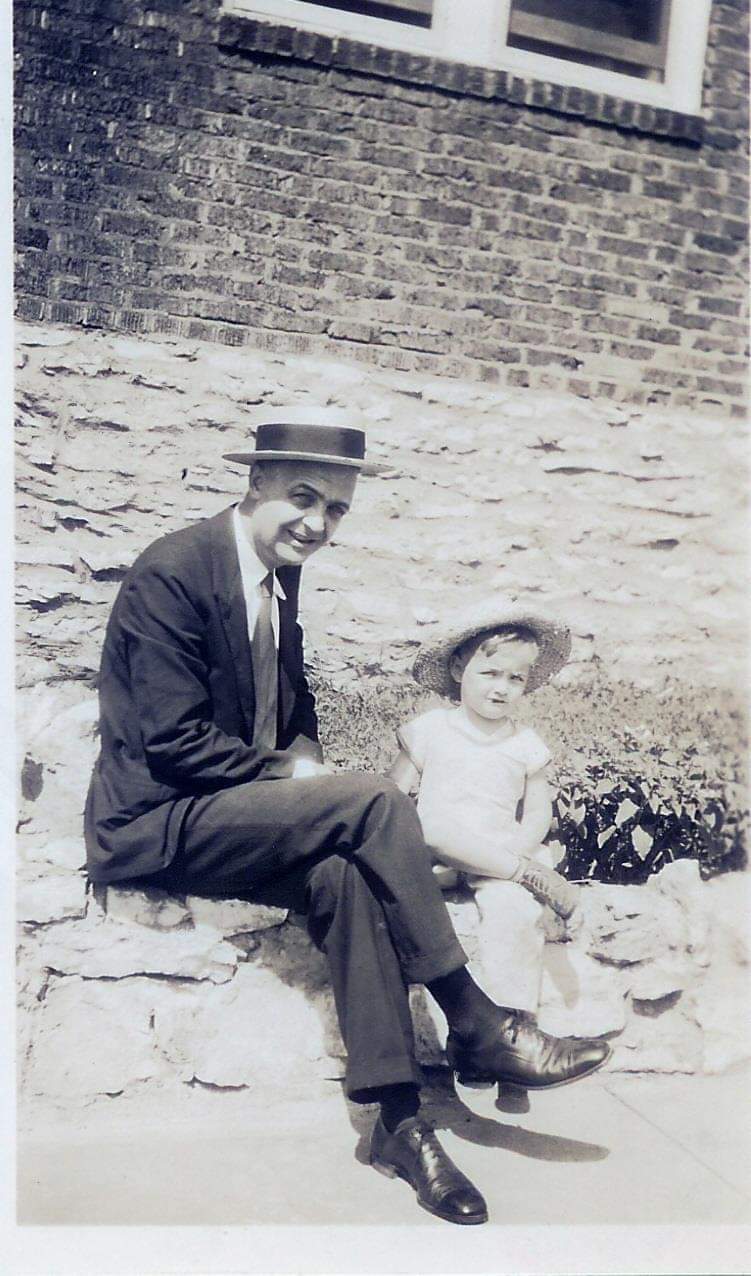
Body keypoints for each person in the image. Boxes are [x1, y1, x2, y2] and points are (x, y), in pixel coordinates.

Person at [85, 409, 610, 1227]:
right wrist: (299, 777)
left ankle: (398, 1122)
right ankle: (474, 1019)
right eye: (302, 498)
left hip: (232, 813)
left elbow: (292, 707)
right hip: (159, 820)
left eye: (335, 509)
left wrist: (302, 768)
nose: (317, 523)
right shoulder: (175, 573)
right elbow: (171, 739)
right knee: (369, 797)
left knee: (347, 872)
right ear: (255, 482)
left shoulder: (277, 575)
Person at [389, 603, 583, 1078]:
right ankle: (526, 874)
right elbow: (391, 797)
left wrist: (517, 850)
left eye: (516, 679)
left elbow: (538, 812)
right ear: (459, 670)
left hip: (498, 856)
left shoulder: (524, 743)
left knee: (514, 912)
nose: (502, 687)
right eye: (490, 673)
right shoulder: (430, 730)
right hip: (436, 855)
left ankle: (513, 1029)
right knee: (430, 825)